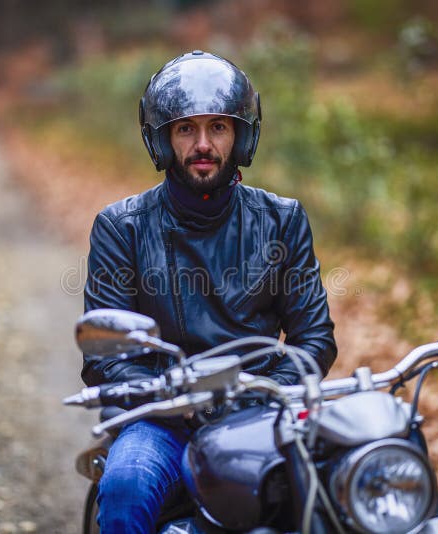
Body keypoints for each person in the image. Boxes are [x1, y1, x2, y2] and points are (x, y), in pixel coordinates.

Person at [82, 50, 337, 533]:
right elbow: (105, 358)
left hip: (261, 411)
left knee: (337, 488)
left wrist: (254, 398)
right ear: (162, 140)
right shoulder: (122, 228)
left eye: (218, 127)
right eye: (186, 129)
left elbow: (314, 339)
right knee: (125, 486)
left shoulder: (282, 220)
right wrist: (176, 399)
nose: (203, 144)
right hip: (161, 419)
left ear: (241, 135)